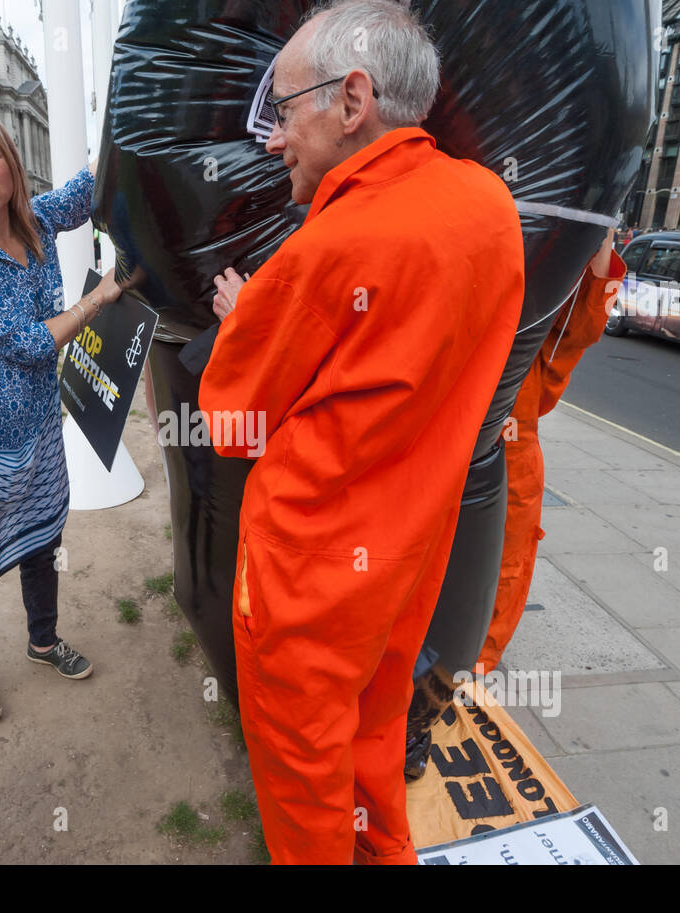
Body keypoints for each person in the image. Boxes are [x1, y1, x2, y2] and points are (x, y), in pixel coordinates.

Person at [197, 0, 525, 864]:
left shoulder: (325, 251)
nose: (273, 139)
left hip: (308, 579)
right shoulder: (490, 205)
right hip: (408, 559)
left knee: (304, 779)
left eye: (286, 108)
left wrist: (245, 317)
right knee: (376, 740)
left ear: (352, 100)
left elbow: (232, 420)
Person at [0, 103, 127, 725]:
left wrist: (121, 129)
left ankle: (43, 641)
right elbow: (30, 343)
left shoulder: (34, 222)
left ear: (11, 164)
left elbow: (83, 192)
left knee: (43, 541)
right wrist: (100, 297)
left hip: (39, 427)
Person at [475, 231, 625, 673]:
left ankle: (480, 660)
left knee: (506, 555)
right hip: (454, 444)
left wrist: (601, 229)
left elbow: (588, 321)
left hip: (510, 448)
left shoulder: (541, 322)